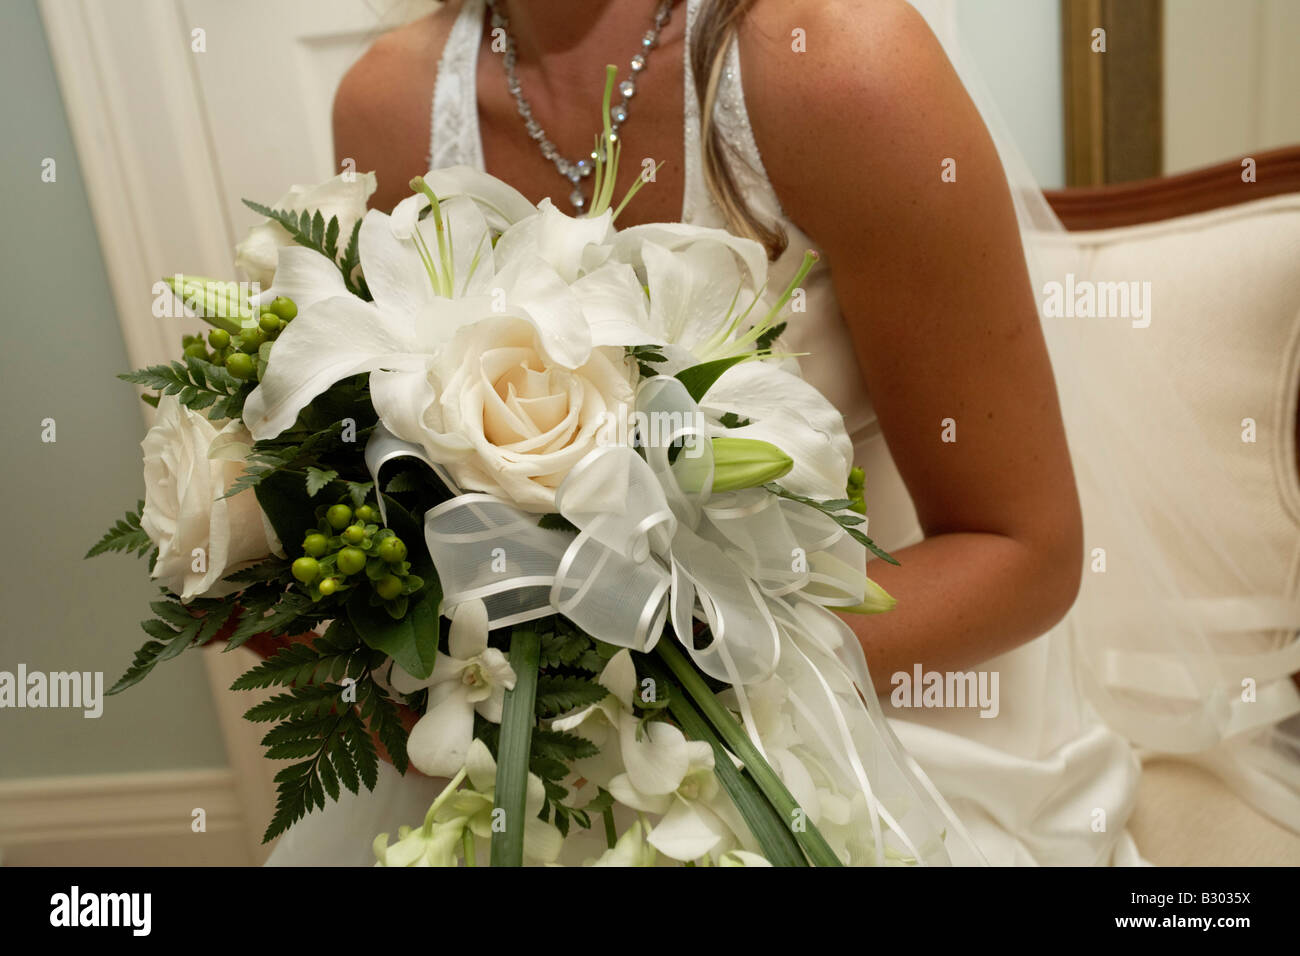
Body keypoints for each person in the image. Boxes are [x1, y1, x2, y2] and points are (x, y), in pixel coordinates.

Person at [265, 0, 1143, 866]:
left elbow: (1024, 550)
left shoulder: (836, 61)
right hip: (521, 731)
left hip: (872, 701)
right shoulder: (386, 103)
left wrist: (638, 687)